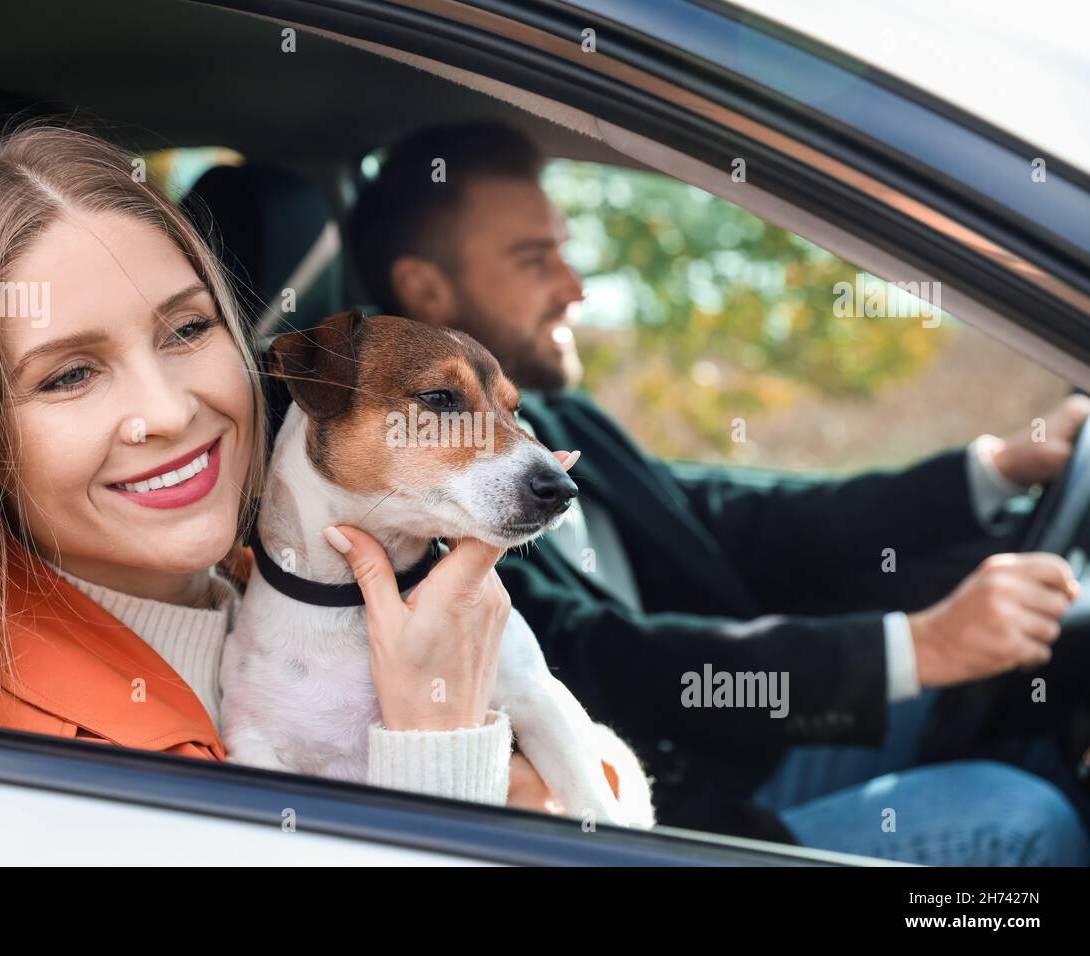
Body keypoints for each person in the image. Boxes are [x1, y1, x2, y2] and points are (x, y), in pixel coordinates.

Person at [346, 120, 1090, 864]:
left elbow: (741, 521)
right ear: (427, 288)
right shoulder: (416, 498)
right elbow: (611, 662)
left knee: (1022, 720)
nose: (575, 286)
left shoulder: (559, 422)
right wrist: (924, 646)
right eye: (535, 260)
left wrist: (996, 469)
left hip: (742, 749)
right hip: (679, 820)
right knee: (1022, 818)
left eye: (565, 253)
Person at [0, 122, 589, 811]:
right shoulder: (76, 775)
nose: (166, 411)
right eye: (69, 375)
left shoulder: (277, 583)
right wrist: (439, 753)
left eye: (188, 328)